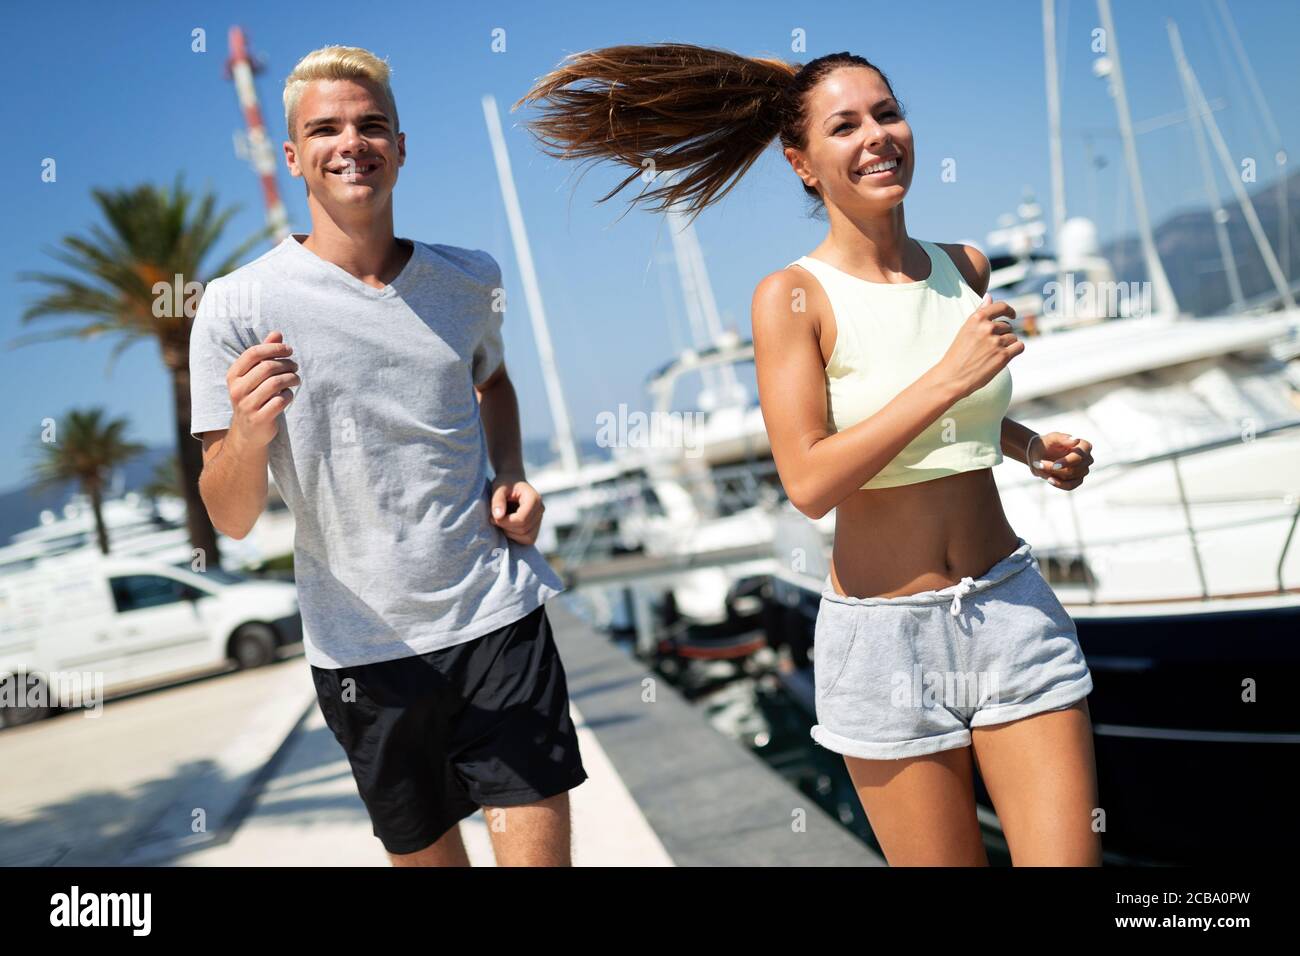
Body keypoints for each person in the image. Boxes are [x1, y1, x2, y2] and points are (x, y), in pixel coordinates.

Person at [514, 43, 1098, 866]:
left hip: (1010, 605)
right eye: (845, 126)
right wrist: (947, 377)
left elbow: (951, 411)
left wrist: (1030, 445)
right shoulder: (792, 297)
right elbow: (810, 479)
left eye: (887, 113)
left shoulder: (964, 266)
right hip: (887, 641)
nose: (877, 137)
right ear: (802, 164)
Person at [189, 45, 587, 867]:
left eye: (372, 125)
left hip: (496, 617)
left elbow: (495, 380)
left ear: (401, 147)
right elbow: (228, 518)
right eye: (325, 128)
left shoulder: (468, 280)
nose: (352, 142)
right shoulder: (236, 306)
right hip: (362, 654)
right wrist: (249, 433)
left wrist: (509, 469)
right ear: (292, 156)